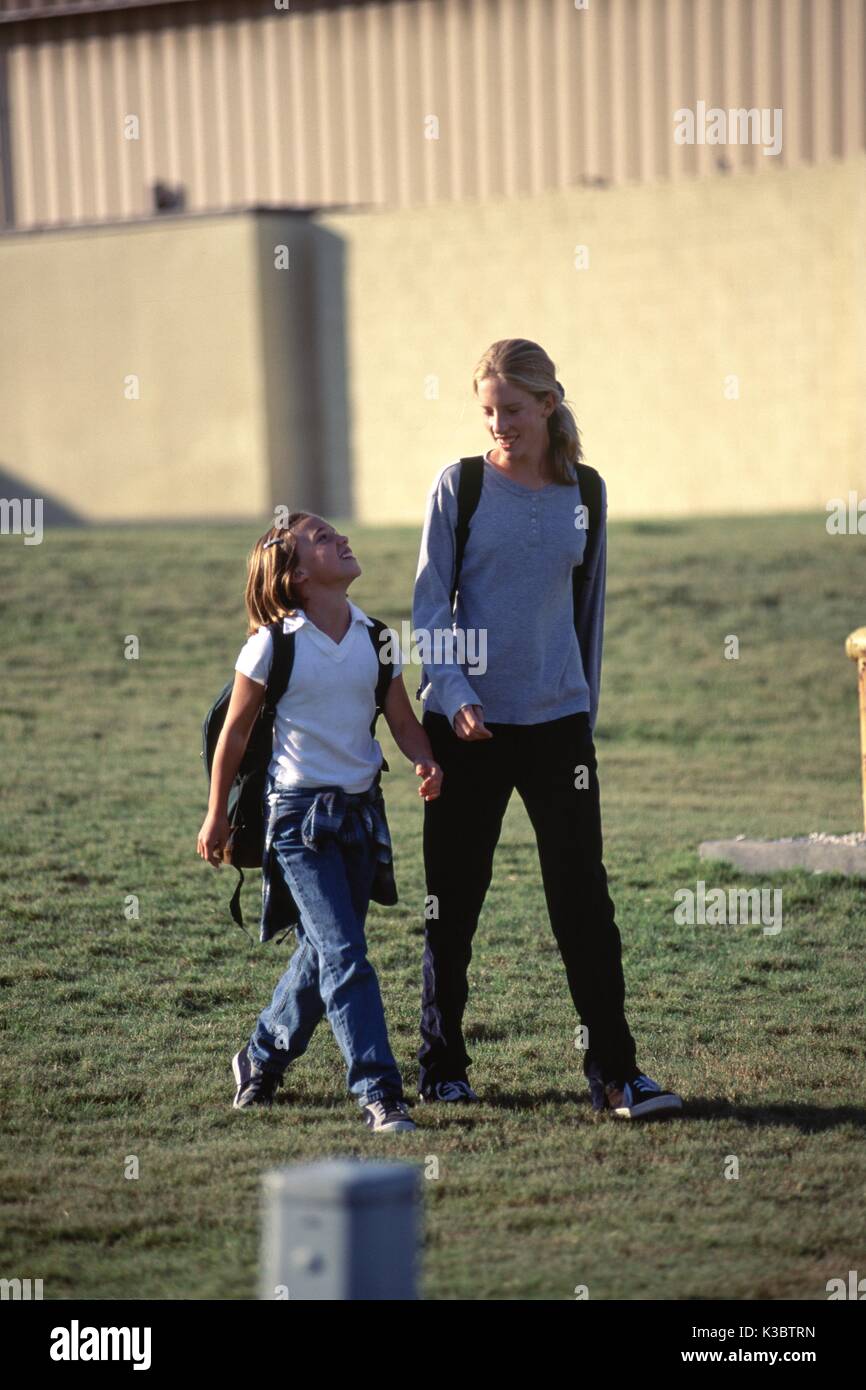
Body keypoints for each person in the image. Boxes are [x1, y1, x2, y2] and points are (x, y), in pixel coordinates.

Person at [412, 338, 683, 1120]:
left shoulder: (585, 492)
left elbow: (587, 610)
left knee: (584, 900)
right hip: (468, 728)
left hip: (558, 726)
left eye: (513, 411)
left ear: (548, 405)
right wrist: (455, 692)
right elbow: (430, 609)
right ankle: (442, 1064)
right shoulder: (458, 486)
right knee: (453, 901)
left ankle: (616, 1075)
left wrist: (582, 711)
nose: (500, 425)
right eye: (488, 411)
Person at [197, 512, 442, 1133]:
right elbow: (234, 735)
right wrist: (215, 814)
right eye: (324, 540)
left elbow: (402, 720)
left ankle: (259, 1056)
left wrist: (426, 760)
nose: (342, 540)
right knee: (345, 953)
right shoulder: (271, 644)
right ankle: (380, 1092)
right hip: (297, 822)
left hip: (363, 816)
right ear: (299, 575)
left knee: (322, 952)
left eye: (339, 533)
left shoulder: (376, 637)